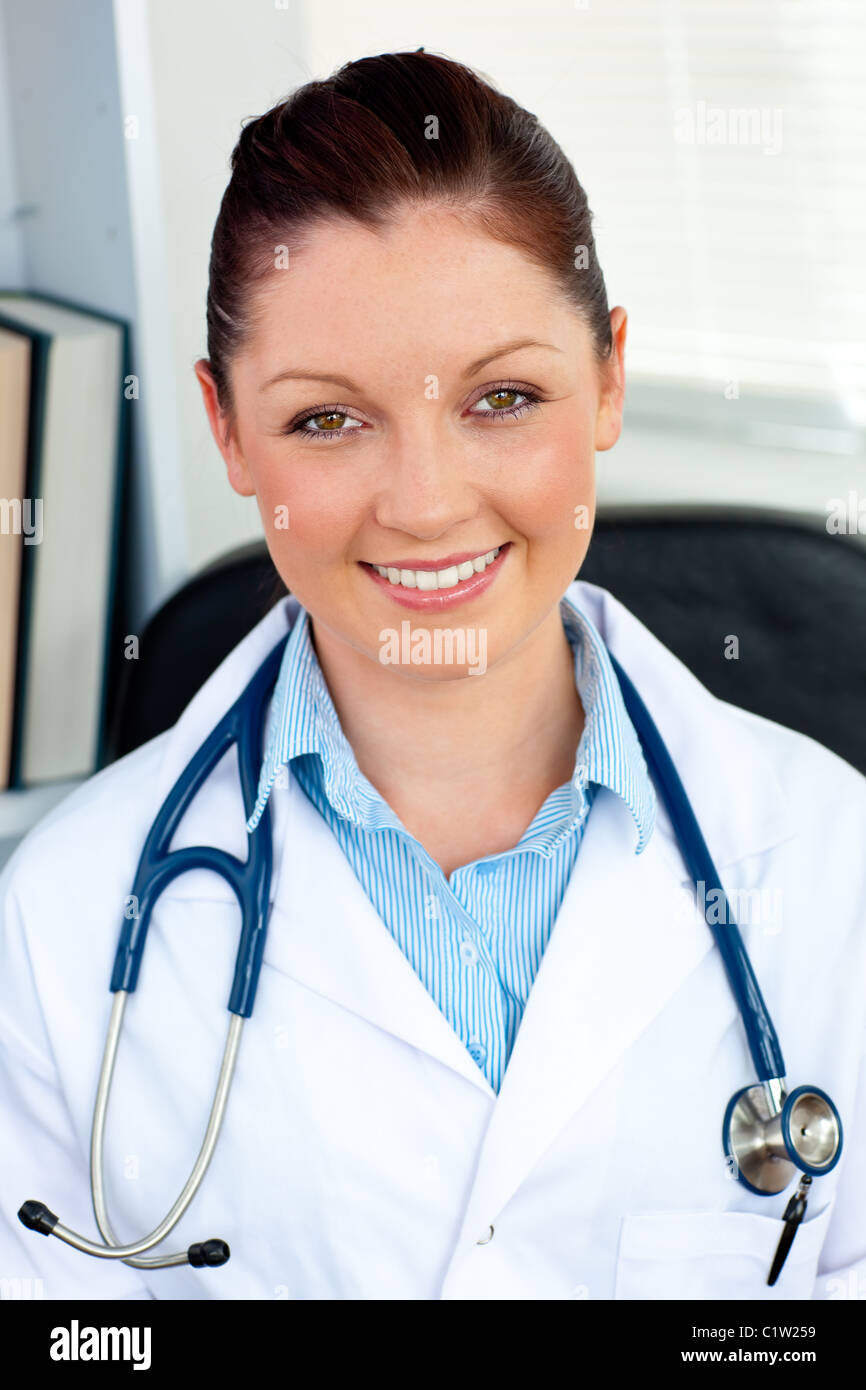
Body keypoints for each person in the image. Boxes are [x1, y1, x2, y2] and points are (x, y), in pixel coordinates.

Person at [1, 49, 865, 1303]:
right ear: (226, 428)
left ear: (608, 377)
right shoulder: (60, 923)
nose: (423, 503)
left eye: (502, 395)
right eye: (325, 419)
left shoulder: (831, 864)